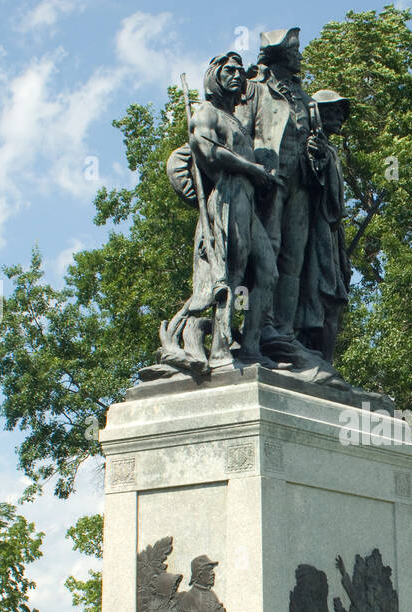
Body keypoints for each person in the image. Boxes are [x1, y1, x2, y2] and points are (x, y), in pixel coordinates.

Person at [160, 51, 281, 372]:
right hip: (227, 197)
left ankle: (251, 346)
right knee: (231, 275)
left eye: (240, 72)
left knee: (268, 273)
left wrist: (261, 177)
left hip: (247, 200)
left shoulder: (235, 121)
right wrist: (253, 169)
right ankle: (219, 350)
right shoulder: (206, 112)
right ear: (214, 76)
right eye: (229, 70)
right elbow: (207, 151)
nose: (237, 76)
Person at [237, 28, 316, 347]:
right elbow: (239, 132)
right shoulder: (254, 89)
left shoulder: (304, 96)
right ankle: (259, 324)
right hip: (269, 180)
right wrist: (257, 169)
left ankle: (284, 330)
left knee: (294, 258)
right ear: (281, 53)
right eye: (294, 50)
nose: (299, 56)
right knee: (266, 252)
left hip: (302, 180)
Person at [300, 90, 352, 361]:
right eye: (333, 111)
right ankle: (319, 362)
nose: (340, 117)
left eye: (341, 113)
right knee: (325, 298)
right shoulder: (314, 145)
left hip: (332, 234)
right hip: (316, 233)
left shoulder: (330, 149)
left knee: (334, 302)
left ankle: (326, 365)